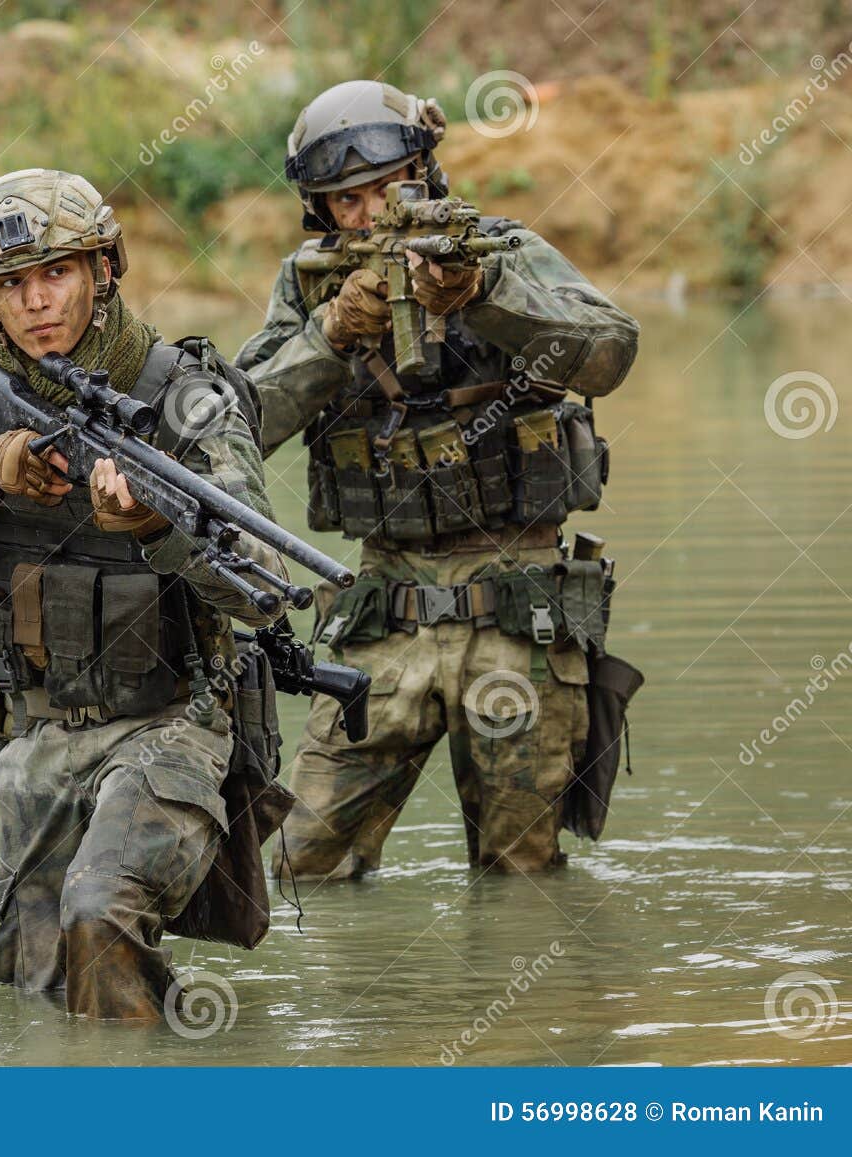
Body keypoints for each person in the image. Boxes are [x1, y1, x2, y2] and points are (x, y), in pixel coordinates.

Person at [0, 169, 288, 1020]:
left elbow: (263, 588)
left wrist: (152, 530)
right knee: (39, 983)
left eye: (54, 273)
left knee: (100, 915)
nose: (34, 302)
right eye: (8, 285)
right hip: (38, 731)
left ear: (104, 267)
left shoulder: (186, 394)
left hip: (175, 719)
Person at [236, 81, 640, 880]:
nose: (371, 211)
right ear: (320, 209)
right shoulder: (309, 284)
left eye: (388, 187)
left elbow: (609, 351)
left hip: (520, 609)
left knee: (522, 878)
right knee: (297, 865)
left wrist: (485, 299)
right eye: (347, 198)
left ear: (427, 170)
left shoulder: (501, 252)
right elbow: (239, 423)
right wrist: (333, 332)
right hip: (384, 607)